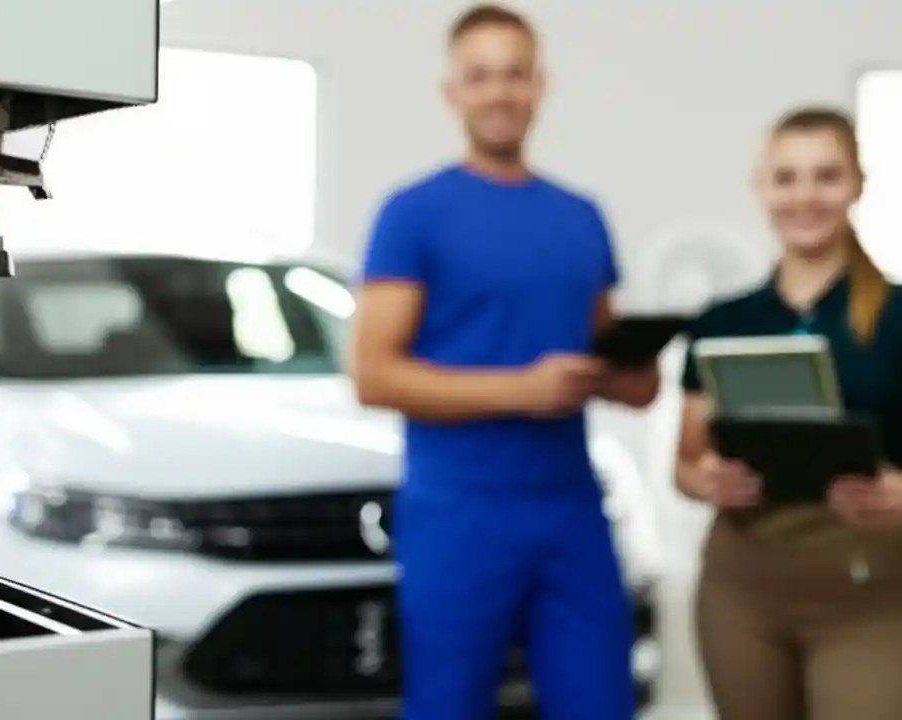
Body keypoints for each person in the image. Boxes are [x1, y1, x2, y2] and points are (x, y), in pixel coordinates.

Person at [348, 5, 658, 719]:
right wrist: (523, 389)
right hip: (459, 513)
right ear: (452, 92)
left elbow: (621, 375)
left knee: (601, 705)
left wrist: (625, 376)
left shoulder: (581, 216)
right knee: (448, 707)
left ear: (539, 85)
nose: (500, 92)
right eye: (480, 76)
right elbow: (374, 374)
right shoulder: (413, 214)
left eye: (514, 74)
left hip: (573, 509)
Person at [677, 108, 902, 720]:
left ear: (858, 184)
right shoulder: (724, 321)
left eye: (826, 176)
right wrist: (707, 479)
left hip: (869, 583)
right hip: (742, 586)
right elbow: (687, 462)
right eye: (786, 178)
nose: (805, 196)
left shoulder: (896, 316)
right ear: (761, 189)